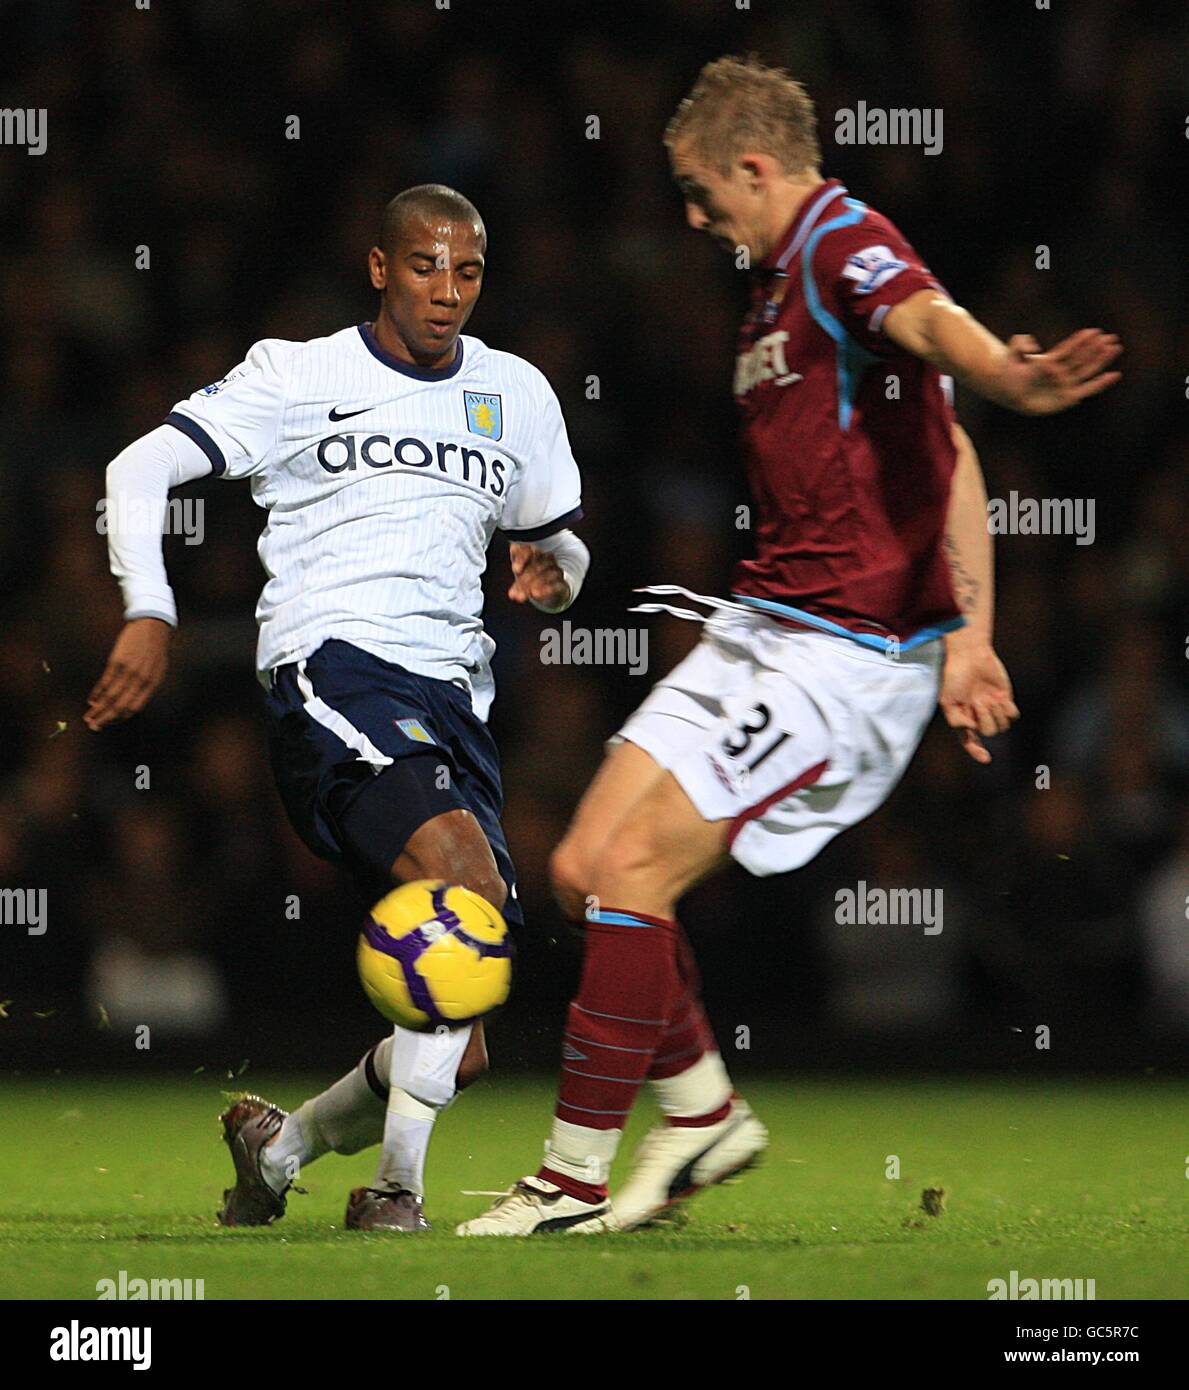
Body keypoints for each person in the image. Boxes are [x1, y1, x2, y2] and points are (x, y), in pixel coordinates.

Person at [458, 55, 1120, 1236]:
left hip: (846, 654)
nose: (692, 216)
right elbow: (946, 454)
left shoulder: (835, 242)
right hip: (760, 625)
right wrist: (976, 631)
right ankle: (704, 1110)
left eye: (702, 191)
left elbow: (931, 323)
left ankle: (566, 1179)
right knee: (578, 865)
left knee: (631, 875)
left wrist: (1007, 378)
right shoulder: (773, 286)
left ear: (755, 166)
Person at [87, 184, 589, 1232]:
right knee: (460, 887)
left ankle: (284, 1148)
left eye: (467, 271)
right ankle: (397, 1191)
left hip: (453, 705)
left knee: (466, 1019)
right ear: (377, 266)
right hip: (333, 673)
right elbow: (140, 465)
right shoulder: (297, 373)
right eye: (422, 266)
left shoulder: (518, 393)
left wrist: (560, 568)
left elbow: (562, 539)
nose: (446, 292)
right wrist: (149, 608)